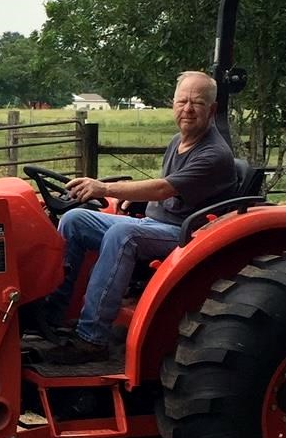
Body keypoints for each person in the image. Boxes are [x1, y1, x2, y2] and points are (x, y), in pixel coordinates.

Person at [41, 71, 239, 362]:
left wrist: (105, 187)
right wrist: (128, 196)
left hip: (186, 234)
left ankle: (92, 338)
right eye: (182, 101)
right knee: (75, 220)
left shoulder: (214, 154)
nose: (187, 109)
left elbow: (162, 188)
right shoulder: (178, 141)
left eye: (196, 103)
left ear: (212, 110)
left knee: (123, 235)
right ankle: (53, 313)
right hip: (155, 223)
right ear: (173, 104)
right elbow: (166, 191)